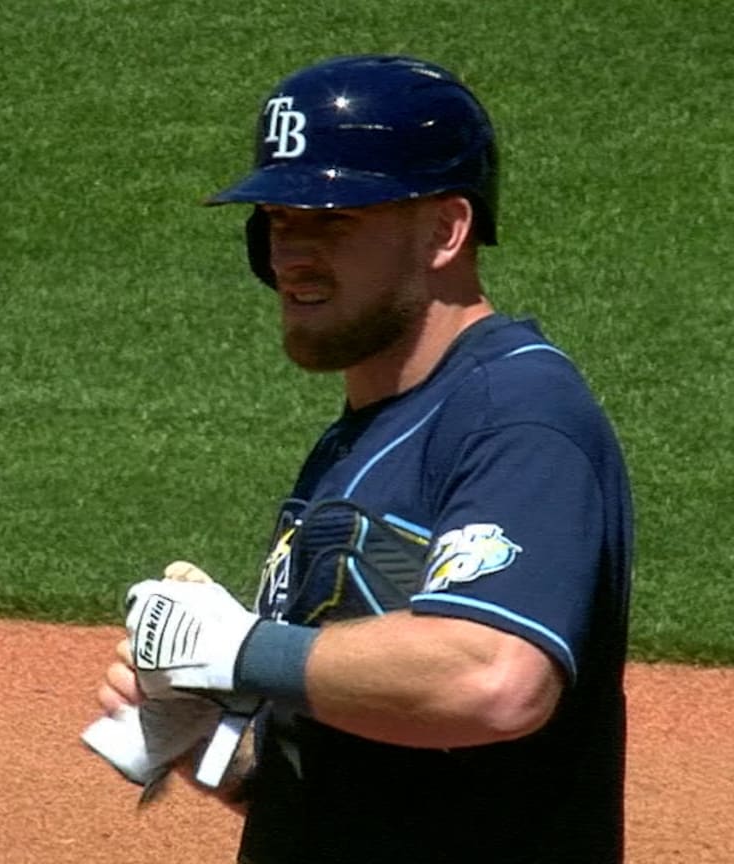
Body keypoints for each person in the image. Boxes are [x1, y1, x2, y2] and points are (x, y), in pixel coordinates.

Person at [93, 54, 634, 863]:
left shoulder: (517, 415)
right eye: (279, 221)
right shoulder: (358, 440)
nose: (292, 256)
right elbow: (369, 790)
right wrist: (218, 742)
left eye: (334, 221)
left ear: (447, 230)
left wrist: (238, 651)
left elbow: (493, 680)